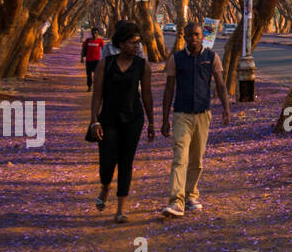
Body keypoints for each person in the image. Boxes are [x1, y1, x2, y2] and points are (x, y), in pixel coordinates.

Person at [161, 21, 230, 218]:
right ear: (184, 36)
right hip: (181, 114)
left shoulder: (211, 57)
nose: (193, 38)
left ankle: (191, 195)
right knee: (179, 158)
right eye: (189, 35)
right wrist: (165, 119)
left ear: (202, 36)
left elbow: (221, 85)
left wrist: (226, 109)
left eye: (197, 35)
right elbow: (169, 90)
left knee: (197, 160)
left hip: (203, 114)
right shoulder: (176, 59)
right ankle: (176, 202)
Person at [89, 21, 155, 223]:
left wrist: (152, 122)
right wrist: (94, 121)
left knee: (126, 162)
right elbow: (97, 94)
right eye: (133, 43)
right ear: (121, 43)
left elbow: (147, 95)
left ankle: (121, 210)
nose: (137, 46)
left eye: (138, 43)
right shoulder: (106, 63)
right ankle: (105, 187)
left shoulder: (142, 65)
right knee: (107, 162)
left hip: (133, 118)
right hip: (108, 118)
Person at [80, 26, 106, 91]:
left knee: (96, 75)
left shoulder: (100, 41)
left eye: (96, 33)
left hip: (97, 61)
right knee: (88, 75)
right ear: (91, 33)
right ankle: (89, 87)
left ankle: (96, 87)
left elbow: (104, 50)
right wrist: (82, 58)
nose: (95, 34)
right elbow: (83, 49)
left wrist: (104, 58)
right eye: (93, 33)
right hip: (88, 61)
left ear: (98, 34)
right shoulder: (88, 40)